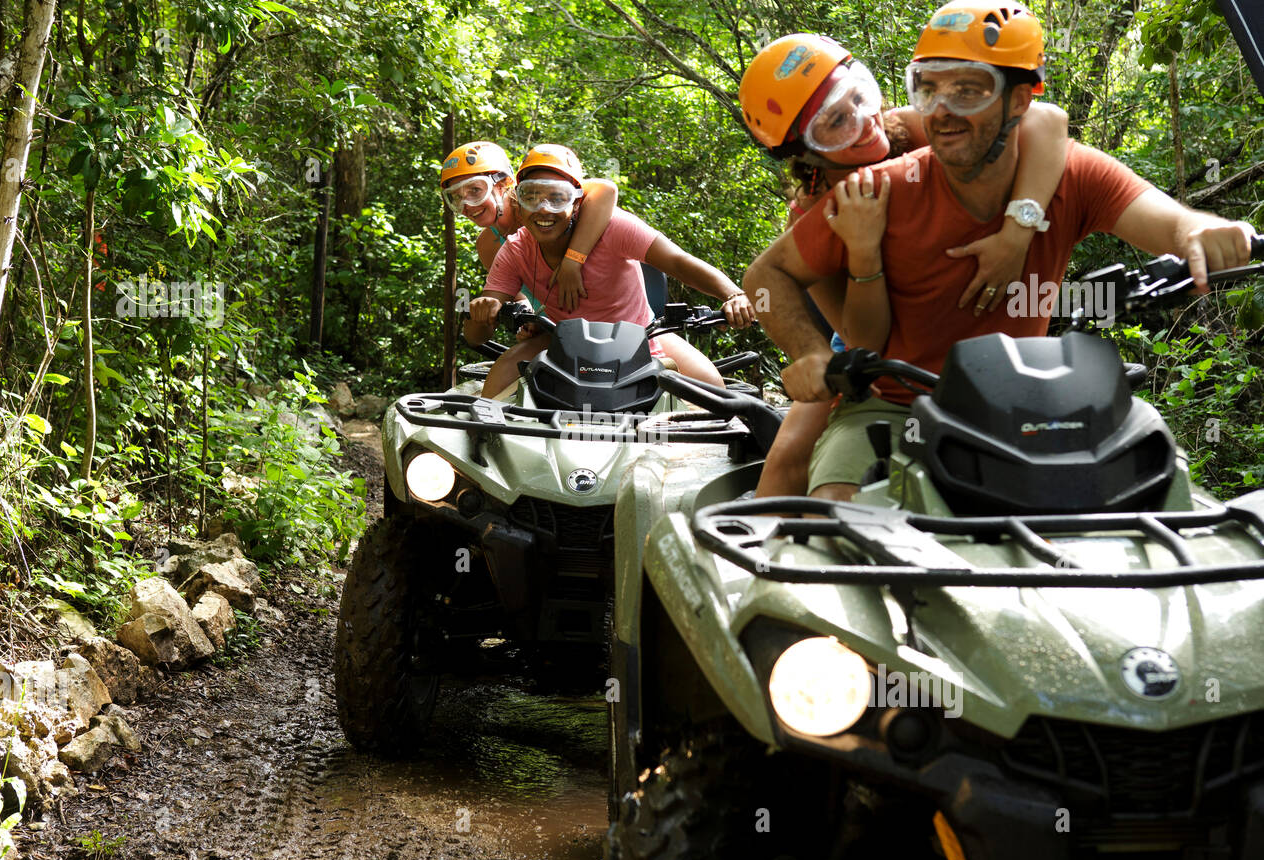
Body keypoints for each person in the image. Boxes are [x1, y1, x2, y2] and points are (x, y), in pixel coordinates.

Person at [743, 1, 1256, 502]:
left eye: (969, 90)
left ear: (1018, 100)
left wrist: (1195, 231)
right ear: (804, 151)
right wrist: (827, 327)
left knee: (1163, 491)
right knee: (807, 469)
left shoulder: (1040, 162)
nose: (943, 111)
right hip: (887, 382)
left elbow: (1061, 134)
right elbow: (857, 335)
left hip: (1018, 396)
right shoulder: (843, 202)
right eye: (930, 89)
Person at [738, 32, 1069, 497]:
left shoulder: (909, 128)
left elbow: (1046, 120)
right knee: (788, 459)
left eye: (859, 94)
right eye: (836, 121)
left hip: (976, 315)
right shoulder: (814, 211)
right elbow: (858, 338)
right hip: (879, 338)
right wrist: (861, 252)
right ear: (803, 150)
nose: (863, 120)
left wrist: (1016, 233)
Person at [467, 144, 756, 399]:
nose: (544, 210)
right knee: (494, 388)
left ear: (577, 200)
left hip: (644, 337)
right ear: (518, 200)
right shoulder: (515, 249)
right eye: (532, 197)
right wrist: (484, 310)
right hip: (560, 344)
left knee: (715, 392)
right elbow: (475, 335)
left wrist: (734, 293)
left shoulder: (615, 227)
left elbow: (679, 262)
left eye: (558, 198)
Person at [439, 140, 619, 313]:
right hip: (552, 328)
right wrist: (527, 319)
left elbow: (605, 191)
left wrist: (572, 261)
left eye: (475, 191)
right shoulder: (487, 245)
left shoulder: (545, 207)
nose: (467, 205)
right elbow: (518, 296)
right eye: (455, 197)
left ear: (503, 184)